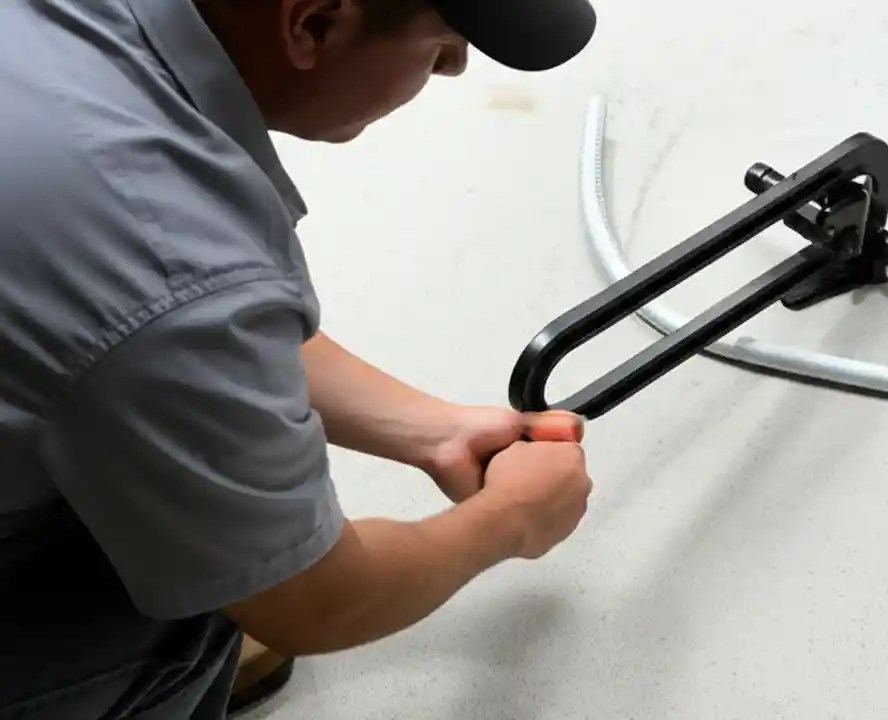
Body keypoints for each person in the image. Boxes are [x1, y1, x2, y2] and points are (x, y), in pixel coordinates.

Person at [0, 0, 598, 717]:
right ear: (311, 25)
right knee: (201, 596)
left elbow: (128, 332)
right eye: (443, 42)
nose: (454, 66)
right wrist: (510, 519)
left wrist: (434, 429)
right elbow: (315, 602)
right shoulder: (163, 243)